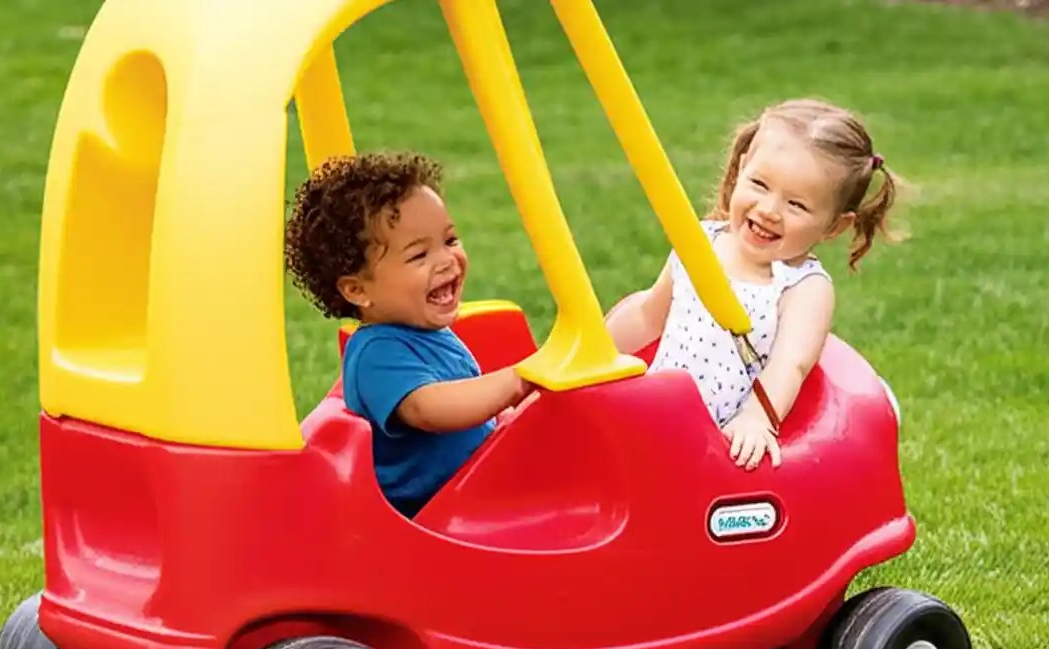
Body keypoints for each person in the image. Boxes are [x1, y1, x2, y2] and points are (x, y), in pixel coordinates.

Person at [605, 98, 901, 471]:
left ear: (834, 226)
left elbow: (790, 364)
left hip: (721, 440)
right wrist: (598, 353)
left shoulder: (802, 287)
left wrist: (757, 418)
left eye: (796, 205)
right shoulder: (701, 242)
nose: (769, 210)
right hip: (657, 415)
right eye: (760, 184)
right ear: (742, 169)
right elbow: (649, 315)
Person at [284, 151, 534, 518]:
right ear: (356, 290)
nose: (447, 259)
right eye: (419, 256)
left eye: (449, 240)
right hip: (425, 523)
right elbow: (427, 409)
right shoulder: (376, 353)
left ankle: (648, 309)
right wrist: (513, 382)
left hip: (466, 490)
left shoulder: (425, 330)